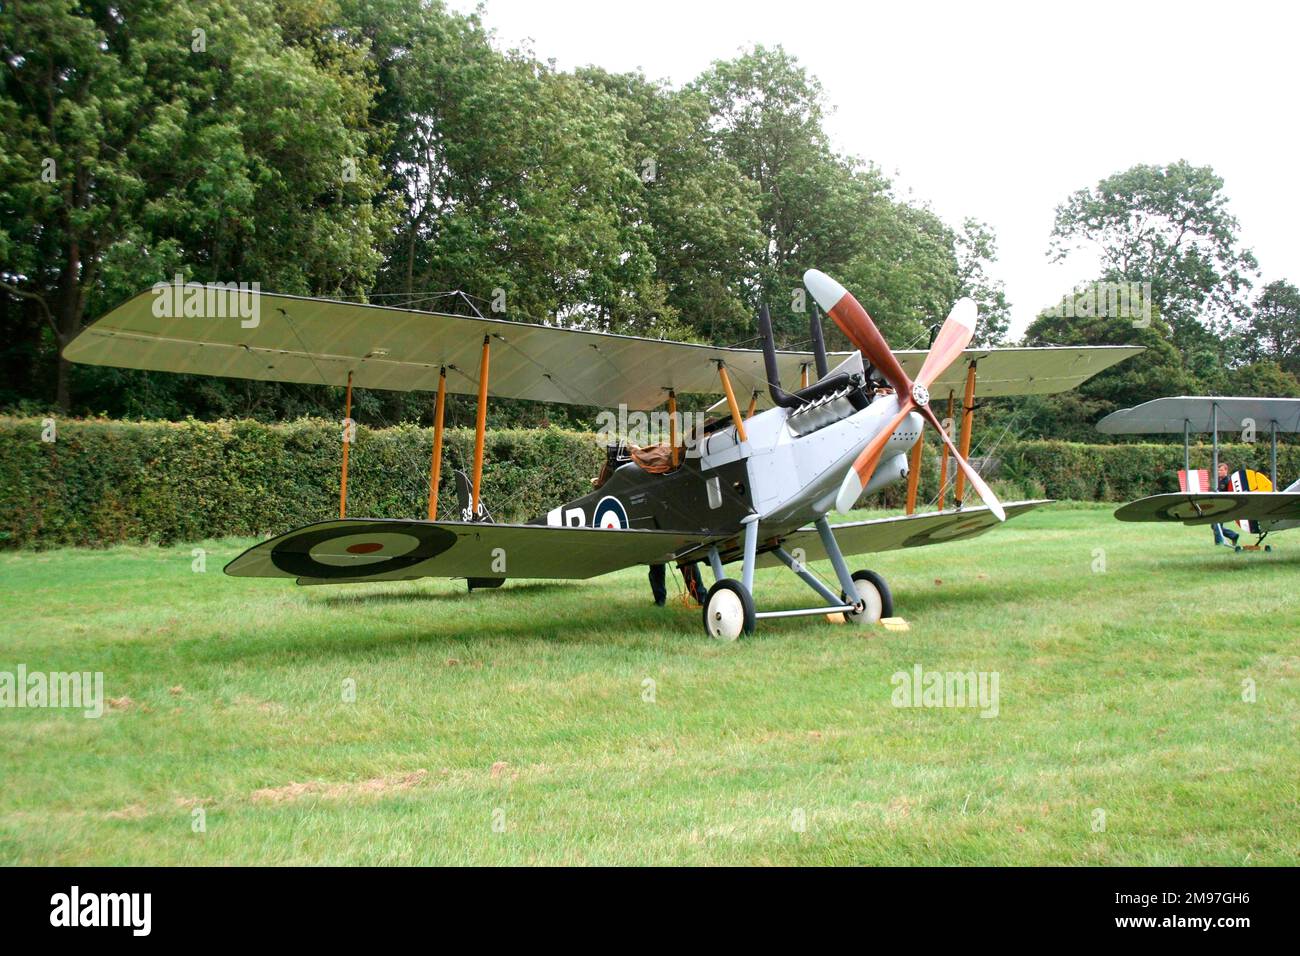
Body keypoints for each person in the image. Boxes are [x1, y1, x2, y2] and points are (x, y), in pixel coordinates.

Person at [1212, 462, 1240, 548]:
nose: (1219, 472)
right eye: (1218, 470)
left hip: (1224, 506)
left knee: (1216, 525)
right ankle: (1233, 535)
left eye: (1221, 470)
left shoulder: (1228, 481)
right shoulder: (1219, 480)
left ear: (1226, 471)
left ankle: (1218, 544)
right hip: (1219, 505)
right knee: (1214, 526)